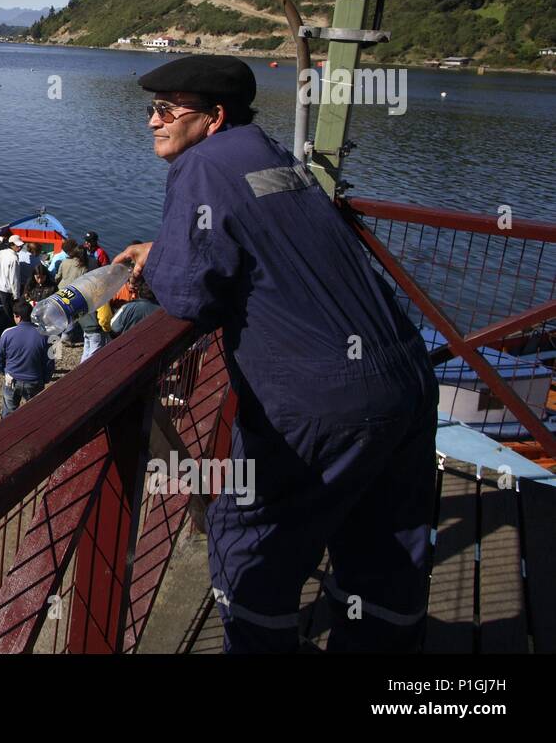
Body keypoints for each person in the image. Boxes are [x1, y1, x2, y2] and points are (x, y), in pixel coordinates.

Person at [115, 54, 437, 653]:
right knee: (383, 551)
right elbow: (262, 233)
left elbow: (189, 296)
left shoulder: (202, 166)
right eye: (150, 109)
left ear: (212, 118)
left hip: (319, 402)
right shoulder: (270, 154)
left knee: (249, 543)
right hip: (407, 377)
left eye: (164, 110)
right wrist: (170, 247)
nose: (151, 122)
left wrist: (158, 262)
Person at [0, 300, 54, 416]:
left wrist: (3, 371)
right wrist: (46, 378)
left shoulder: (7, 334)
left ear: (18, 317)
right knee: (34, 414)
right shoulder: (45, 336)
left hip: (11, 380)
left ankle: (7, 431)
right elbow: (49, 362)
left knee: (8, 413)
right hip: (34, 381)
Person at [55, 246, 92, 346]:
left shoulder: (65, 262)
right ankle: (66, 336)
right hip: (72, 294)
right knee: (72, 316)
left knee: (60, 313)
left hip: (60, 290)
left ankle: (56, 332)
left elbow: (58, 276)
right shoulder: (84, 268)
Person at [0, 236, 20, 325]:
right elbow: (14, 279)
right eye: (17, 245)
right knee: (9, 314)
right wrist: (16, 296)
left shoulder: (1, 253)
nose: (19, 247)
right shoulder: (14, 259)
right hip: (6, 290)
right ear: (12, 245)